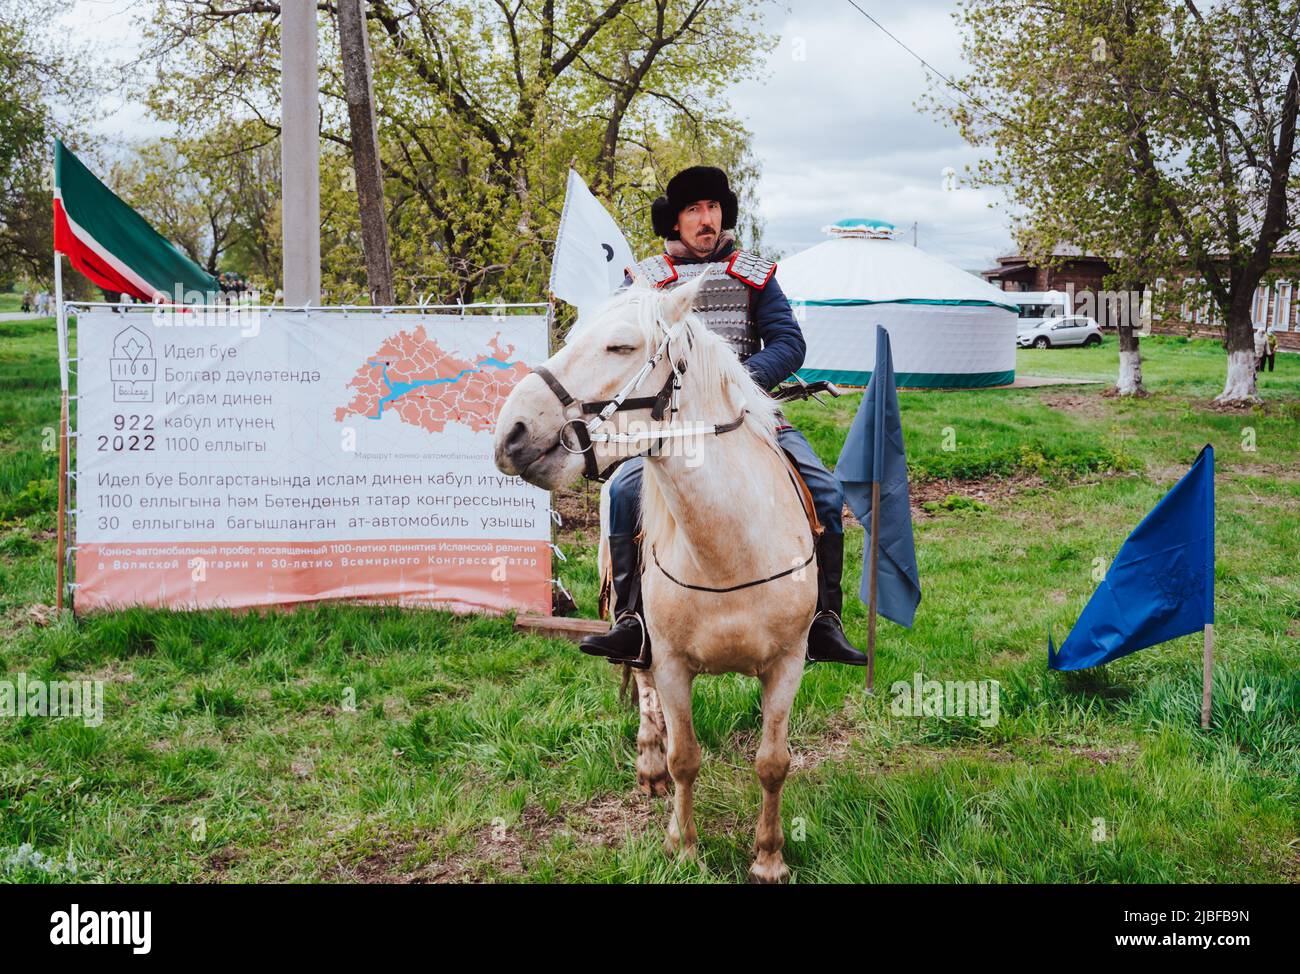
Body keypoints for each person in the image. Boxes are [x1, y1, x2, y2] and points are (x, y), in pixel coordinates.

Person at [578, 165, 867, 670]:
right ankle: (633, 621)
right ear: (676, 221)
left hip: (746, 413)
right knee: (625, 492)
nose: (706, 219)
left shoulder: (753, 274)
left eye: (712, 208)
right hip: (667, 423)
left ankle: (823, 619)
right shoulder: (646, 281)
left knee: (825, 490)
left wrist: (738, 384)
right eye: (694, 210)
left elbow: (789, 343)